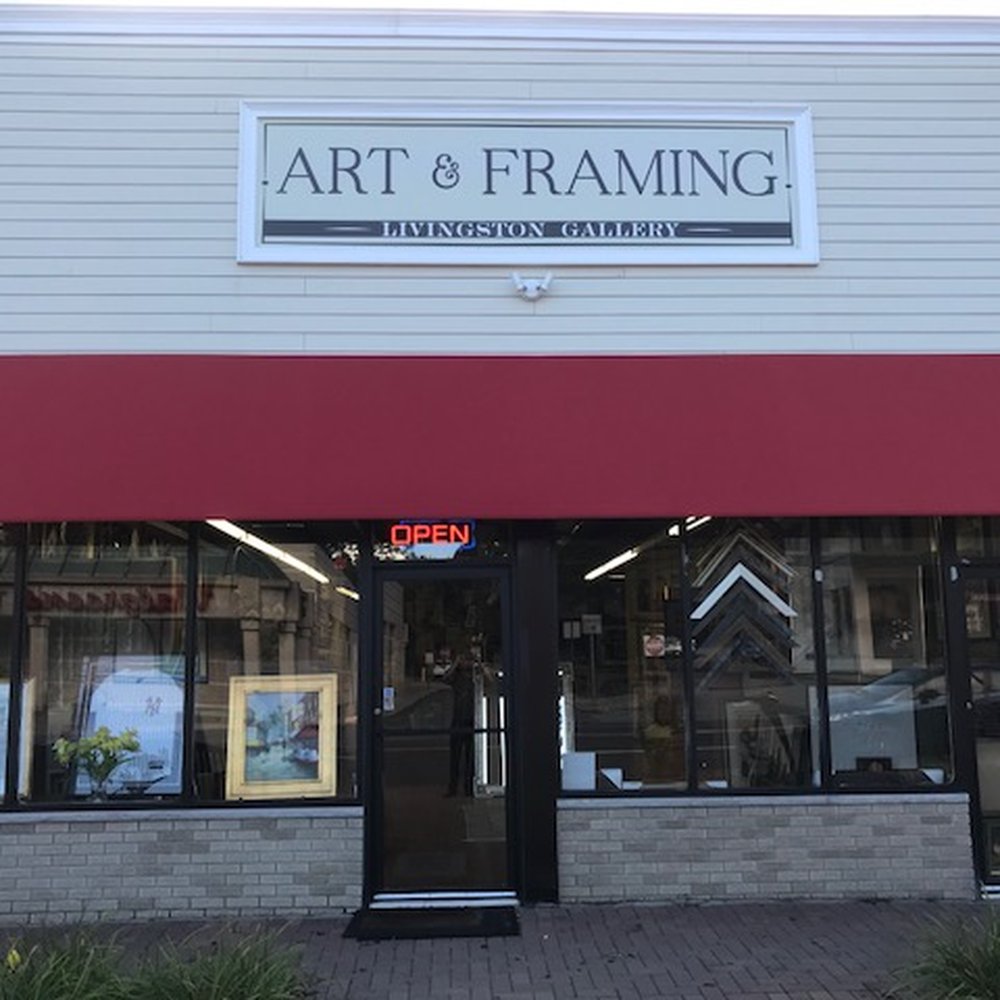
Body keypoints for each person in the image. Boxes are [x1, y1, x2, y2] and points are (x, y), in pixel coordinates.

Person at [444, 649, 477, 797]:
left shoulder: (475, 677)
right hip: (458, 720)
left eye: (468, 660)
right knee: (455, 758)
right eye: (464, 660)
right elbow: (445, 678)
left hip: (472, 720)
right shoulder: (457, 677)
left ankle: (468, 788)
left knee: (471, 759)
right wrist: (456, 664)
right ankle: (453, 788)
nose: (466, 663)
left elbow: (490, 681)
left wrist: (479, 664)